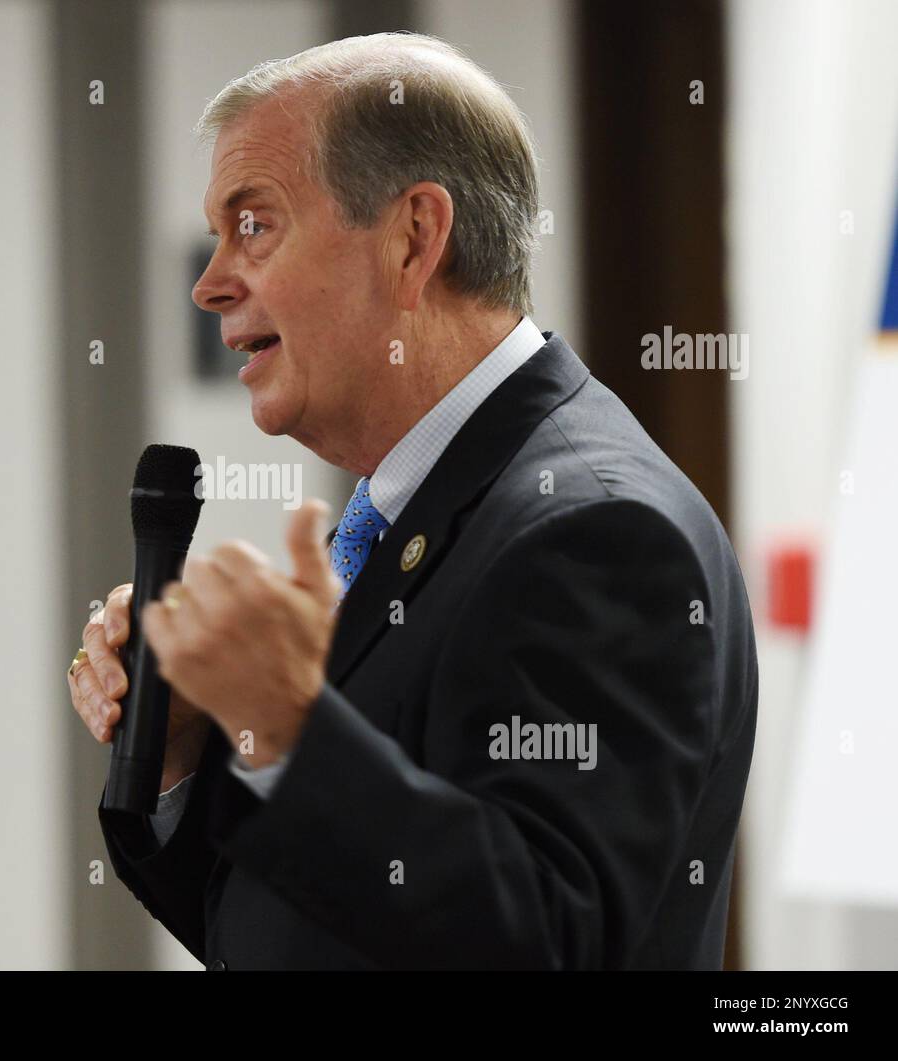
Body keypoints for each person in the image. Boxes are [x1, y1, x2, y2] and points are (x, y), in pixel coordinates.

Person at [66, 32, 757, 970]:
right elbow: (314, 929)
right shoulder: (414, 507)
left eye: (254, 224)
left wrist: (289, 730)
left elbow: (550, 941)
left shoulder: (594, 527)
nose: (210, 280)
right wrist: (197, 742)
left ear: (412, 237)